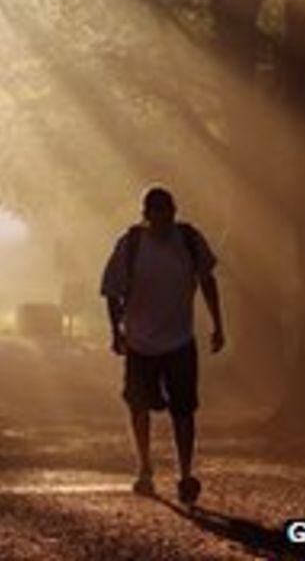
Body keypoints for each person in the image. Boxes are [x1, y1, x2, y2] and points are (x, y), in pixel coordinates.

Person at [100, 186, 225, 504]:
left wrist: (217, 324)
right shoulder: (131, 245)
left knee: (184, 409)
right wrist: (117, 332)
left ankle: (185, 475)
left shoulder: (189, 241)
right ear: (145, 215)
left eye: (166, 213)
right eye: (154, 214)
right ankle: (144, 468)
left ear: (173, 212)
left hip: (180, 340)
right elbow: (112, 291)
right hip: (140, 342)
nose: (161, 220)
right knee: (138, 406)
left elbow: (208, 281)